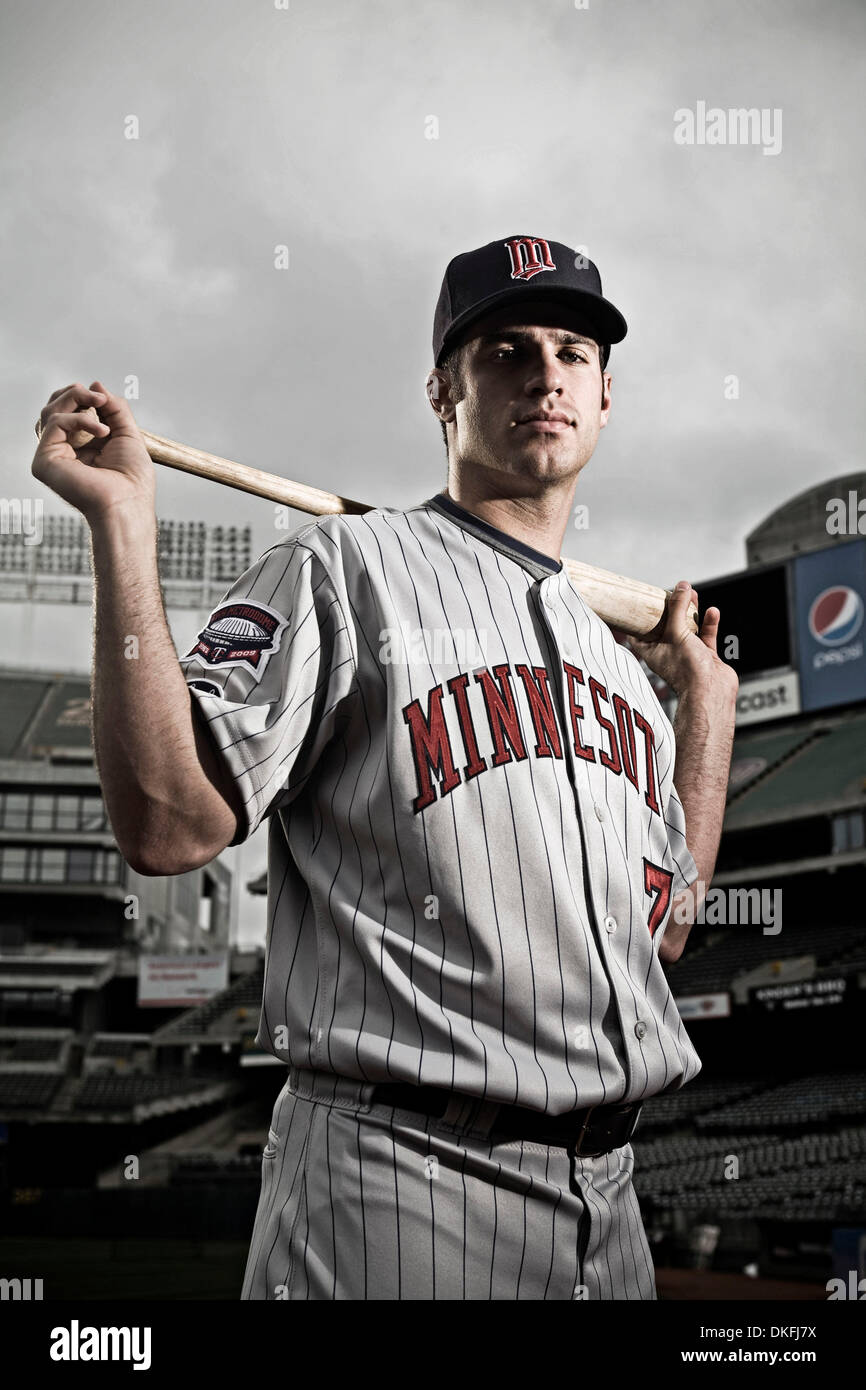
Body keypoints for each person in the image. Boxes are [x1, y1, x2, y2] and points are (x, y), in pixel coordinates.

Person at [31, 233, 737, 1300]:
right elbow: (170, 822)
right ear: (441, 390)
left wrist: (707, 708)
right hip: (400, 1183)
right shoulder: (340, 569)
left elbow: (666, 923)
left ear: (602, 398)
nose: (543, 374)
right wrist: (122, 528)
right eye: (504, 351)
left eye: (570, 353)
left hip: (612, 1202)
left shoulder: (623, 670)